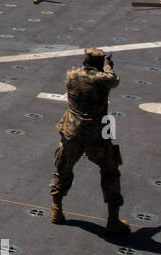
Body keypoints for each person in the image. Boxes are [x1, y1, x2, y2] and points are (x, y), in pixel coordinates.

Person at [50, 47, 129, 235]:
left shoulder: (71, 74)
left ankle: (56, 209)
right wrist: (108, 66)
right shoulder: (102, 79)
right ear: (99, 63)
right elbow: (114, 80)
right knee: (110, 171)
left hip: (72, 129)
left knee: (63, 168)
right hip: (98, 132)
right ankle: (113, 220)